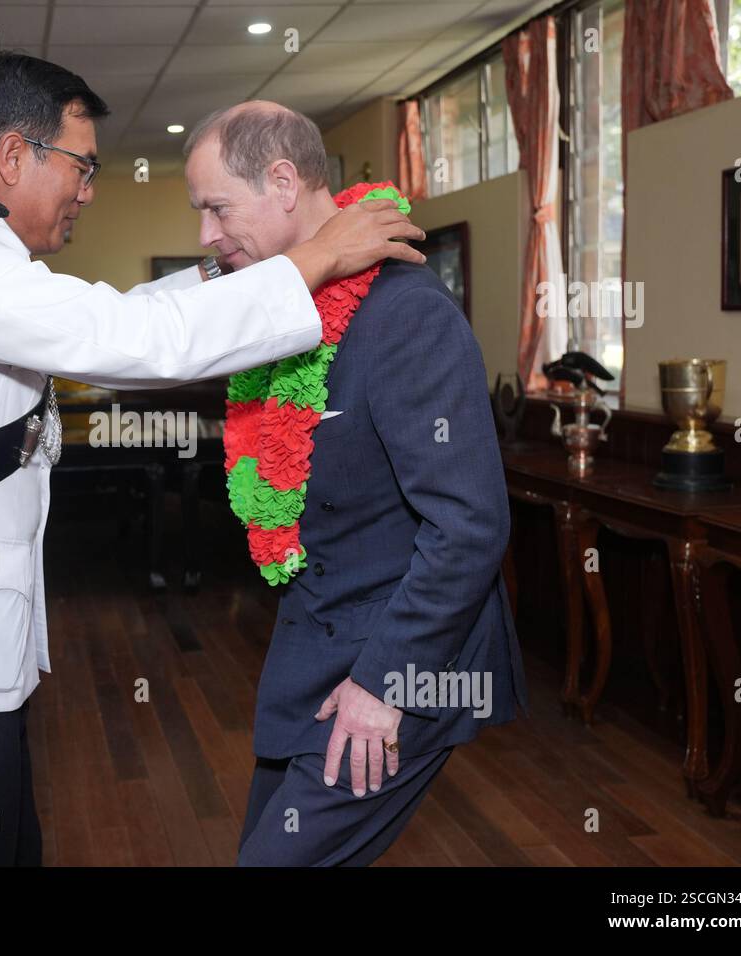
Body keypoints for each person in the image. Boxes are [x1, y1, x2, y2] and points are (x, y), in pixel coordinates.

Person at [0, 53, 425, 866]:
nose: (89, 188)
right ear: (12, 157)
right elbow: (129, 343)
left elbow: (121, 313)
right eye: (82, 166)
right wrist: (314, 259)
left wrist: (223, 267)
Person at [177, 101, 527, 865]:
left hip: (402, 662)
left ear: (281, 182)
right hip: (314, 649)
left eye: (216, 208)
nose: (205, 234)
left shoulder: (406, 315)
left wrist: (386, 685)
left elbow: (468, 526)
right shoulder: (278, 308)